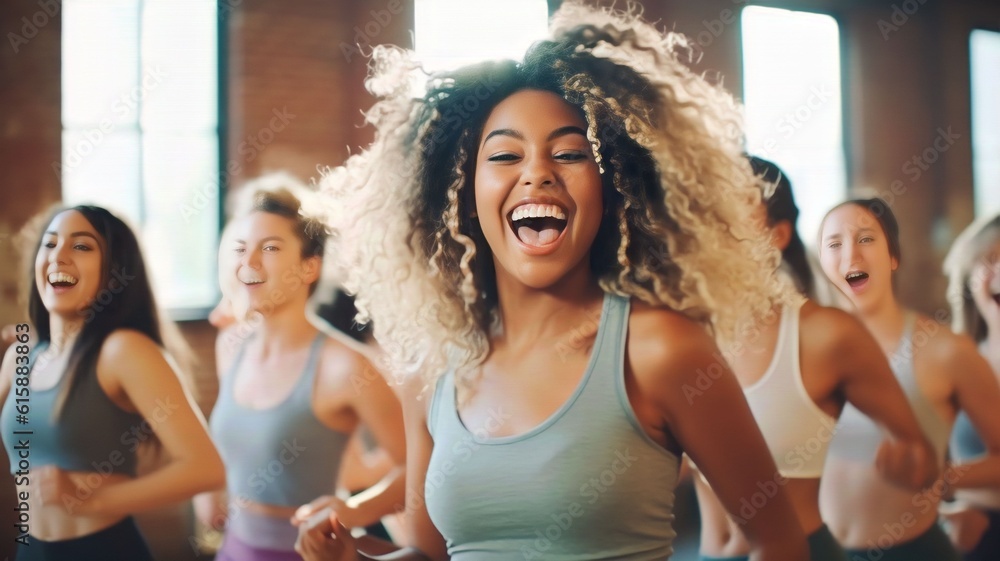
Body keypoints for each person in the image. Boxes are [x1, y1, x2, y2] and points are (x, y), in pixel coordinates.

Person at [296, 2, 814, 559]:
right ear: (463, 196)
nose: (537, 172)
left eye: (569, 153)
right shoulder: (433, 369)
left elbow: (780, 544)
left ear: (614, 189)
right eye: (504, 155)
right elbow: (428, 555)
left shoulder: (661, 349)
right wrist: (355, 556)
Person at [692, 159, 938, 561]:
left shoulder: (827, 334)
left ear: (778, 234)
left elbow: (919, 453)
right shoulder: (684, 336)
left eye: (734, 212)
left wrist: (913, 466)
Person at [193, 182, 407, 561]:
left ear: (310, 267)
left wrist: (354, 511)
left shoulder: (347, 366)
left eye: (270, 248)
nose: (249, 262)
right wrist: (208, 491)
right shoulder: (230, 345)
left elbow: (420, 469)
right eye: (241, 248)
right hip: (233, 550)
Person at [0, 204, 225, 561]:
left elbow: (206, 469)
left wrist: (91, 498)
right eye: (50, 243)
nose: (59, 255)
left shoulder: (123, 351)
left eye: (82, 246)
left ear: (114, 273)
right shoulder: (19, 357)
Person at [817, 198, 1000, 561]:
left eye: (866, 239)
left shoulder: (947, 351)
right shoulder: (805, 350)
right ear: (821, 261)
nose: (850, 255)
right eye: (834, 244)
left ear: (893, 257)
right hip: (819, 551)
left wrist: (939, 480)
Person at [941, 212, 1000, 559]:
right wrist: (944, 514)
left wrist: (938, 482)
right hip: (973, 538)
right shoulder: (956, 361)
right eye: (990, 260)